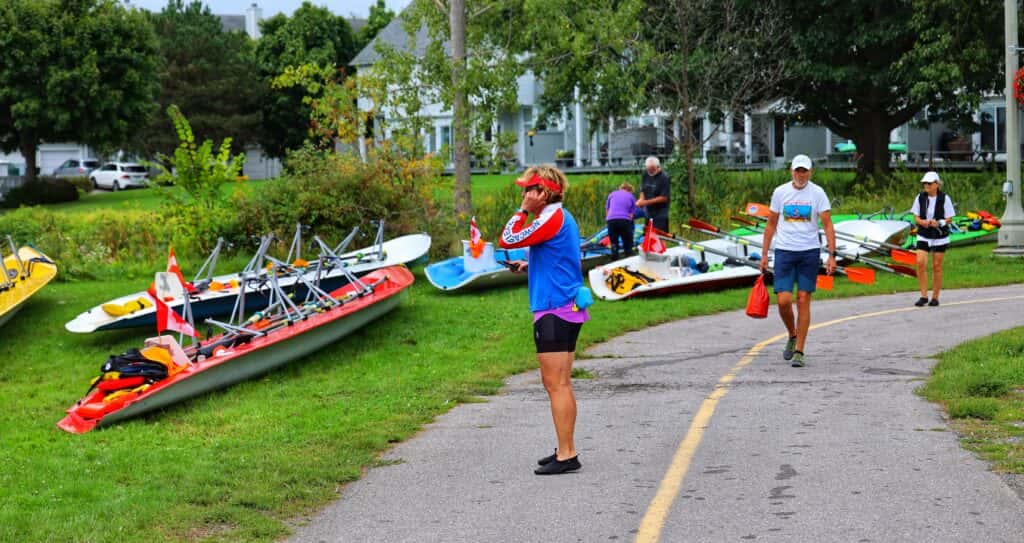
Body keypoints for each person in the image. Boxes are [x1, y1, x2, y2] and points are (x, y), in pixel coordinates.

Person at [499, 165, 589, 475]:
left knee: (556, 384)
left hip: (553, 308)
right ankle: (566, 448)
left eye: (529, 191)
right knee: (561, 383)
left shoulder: (549, 218)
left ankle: (567, 454)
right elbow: (564, 258)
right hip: (566, 305)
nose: (524, 195)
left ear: (544, 193)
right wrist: (531, 264)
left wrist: (520, 211)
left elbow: (508, 238)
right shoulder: (561, 218)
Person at [758, 154, 837, 368]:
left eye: (804, 171)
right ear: (791, 171)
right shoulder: (780, 192)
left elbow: (828, 225)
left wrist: (831, 254)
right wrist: (764, 254)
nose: (800, 175)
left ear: (810, 172)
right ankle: (792, 334)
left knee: (803, 298)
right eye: (797, 171)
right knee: (783, 301)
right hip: (784, 251)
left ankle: (800, 350)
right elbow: (771, 225)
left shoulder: (818, 193)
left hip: (809, 252)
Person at [910, 171, 955, 307]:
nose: (926, 185)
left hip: (940, 235)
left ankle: (935, 297)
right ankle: (924, 296)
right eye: (925, 183)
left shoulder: (944, 198)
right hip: (924, 233)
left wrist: (940, 222)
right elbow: (915, 216)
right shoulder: (920, 197)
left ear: (937, 184)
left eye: (929, 183)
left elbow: (949, 218)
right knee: (920, 262)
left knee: (936, 266)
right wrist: (922, 222)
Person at [637, 156, 670, 232]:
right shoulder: (645, 174)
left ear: (658, 167)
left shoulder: (664, 177)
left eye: (652, 170)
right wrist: (641, 199)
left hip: (660, 213)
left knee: (659, 236)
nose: (650, 172)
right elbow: (642, 189)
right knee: (647, 235)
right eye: (648, 170)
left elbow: (664, 198)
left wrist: (646, 202)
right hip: (648, 212)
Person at [605, 182, 637, 259]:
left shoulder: (612, 194)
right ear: (629, 190)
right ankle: (628, 256)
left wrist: (608, 220)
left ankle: (614, 257)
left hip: (611, 220)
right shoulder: (631, 196)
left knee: (614, 242)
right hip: (624, 220)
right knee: (627, 241)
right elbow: (631, 215)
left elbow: (607, 209)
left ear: (621, 188)